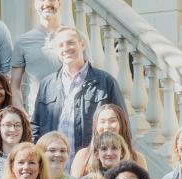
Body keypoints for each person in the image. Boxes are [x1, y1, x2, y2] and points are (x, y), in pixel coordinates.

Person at [33, 26, 127, 156]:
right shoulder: (47, 84)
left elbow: (123, 125)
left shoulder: (105, 82)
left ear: (82, 45)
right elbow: (35, 126)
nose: (66, 48)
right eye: (60, 45)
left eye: (70, 42)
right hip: (53, 163)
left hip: (92, 161)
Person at [10, 0, 63, 111]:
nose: (47, 3)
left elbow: (88, 77)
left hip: (70, 115)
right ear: (35, 5)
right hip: (37, 116)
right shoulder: (23, 42)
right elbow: (14, 86)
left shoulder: (74, 38)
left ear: (59, 3)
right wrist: (23, 115)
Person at [68, 103, 148, 177]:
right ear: (96, 126)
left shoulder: (137, 158)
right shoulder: (84, 155)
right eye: (102, 122)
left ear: (122, 124)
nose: (107, 126)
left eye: (112, 121)